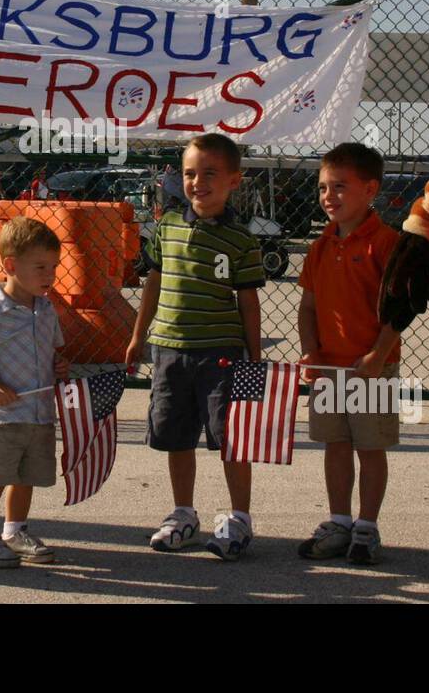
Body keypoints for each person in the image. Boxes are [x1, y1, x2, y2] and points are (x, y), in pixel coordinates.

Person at [126, 132, 265, 561]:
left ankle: (239, 516)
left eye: (209, 173)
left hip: (220, 353)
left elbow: (248, 299)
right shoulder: (166, 228)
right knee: (175, 436)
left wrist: (254, 355)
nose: (197, 182)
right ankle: (183, 513)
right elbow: (153, 281)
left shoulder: (242, 240)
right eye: (189, 173)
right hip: (169, 350)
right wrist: (137, 336)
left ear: (234, 181)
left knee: (230, 439)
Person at [295, 144, 403, 565]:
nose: (328, 196)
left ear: (370, 189)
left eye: (340, 186)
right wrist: (309, 353)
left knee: (370, 447)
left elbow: (399, 309)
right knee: (335, 445)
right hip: (327, 368)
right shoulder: (319, 246)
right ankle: (339, 522)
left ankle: (367, 527)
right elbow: (308, 307)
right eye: (323, 187)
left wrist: (378, 355)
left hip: (372, 369)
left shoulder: (386, 242)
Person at [0, 216, 69, 567]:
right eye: (40, 267)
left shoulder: (47, 309)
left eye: (53, 267)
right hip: (2, 415)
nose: (49, 275)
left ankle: (14, 530)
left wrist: (59, 366)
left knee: (26, 476)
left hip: (38, 412)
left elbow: (55, 350)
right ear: (10, 265)